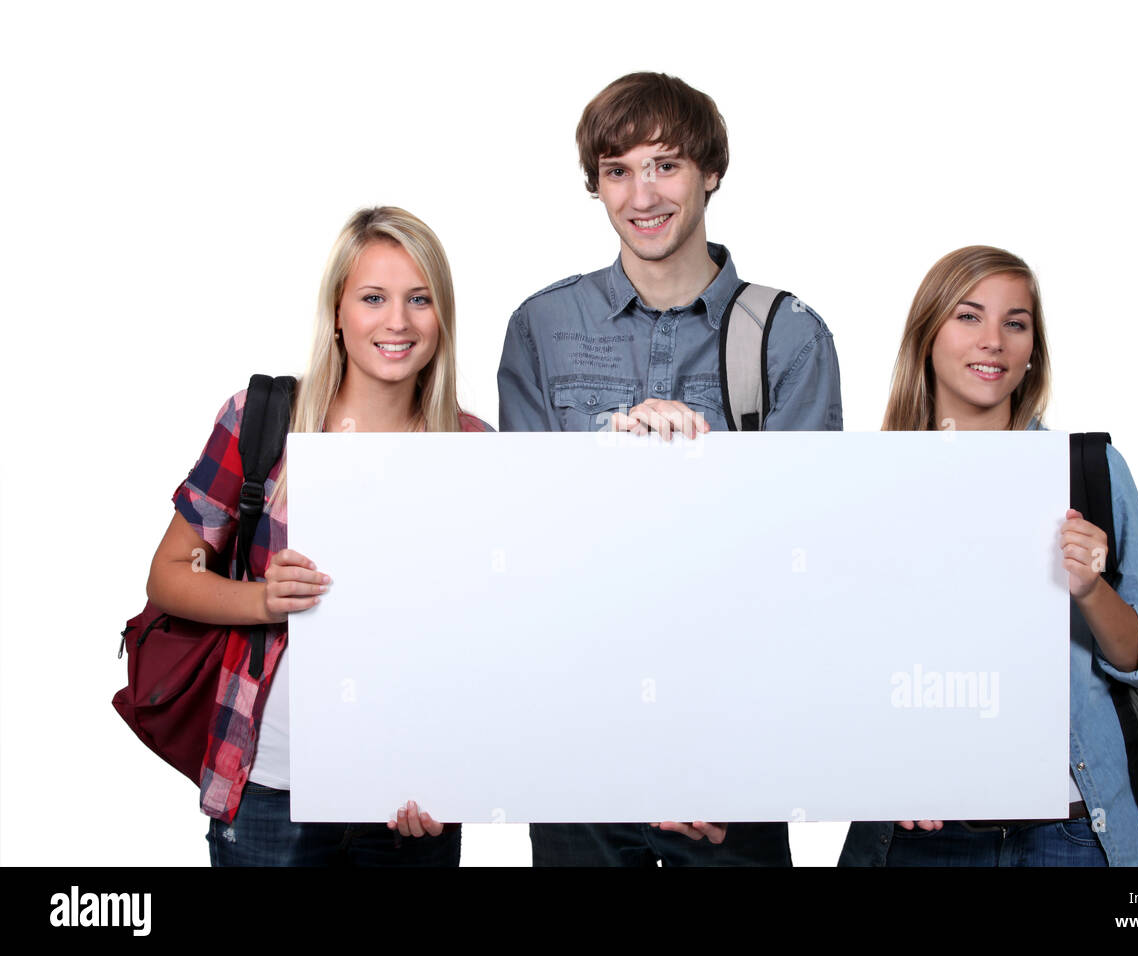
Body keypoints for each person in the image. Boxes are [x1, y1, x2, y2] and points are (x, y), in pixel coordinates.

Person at [497, 72, 843, 867]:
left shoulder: (789, 334)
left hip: (733, 752)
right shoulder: (541, 325)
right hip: (577, 745)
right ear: (596, 185)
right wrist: (605, 455)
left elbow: (803, 563)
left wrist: (723, 761)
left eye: (665, 165)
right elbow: (524, 540)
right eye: (617, 170)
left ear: (711, 172)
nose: (641, 194)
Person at [147, 206, 490, 866]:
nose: (398, 321)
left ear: (441, 315)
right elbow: (172, 571)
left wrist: (454, 777)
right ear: (337, 313)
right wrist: (261, 601)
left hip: (410, 798)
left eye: (420, 299)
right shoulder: (264, 420)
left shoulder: (474, 448)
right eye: (373, 298)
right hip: (273, 792)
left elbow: (490, 641)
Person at [838, 245, 1138, 867]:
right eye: (969, 317)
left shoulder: (1087, 470)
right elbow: (826, 666)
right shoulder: (864, 481)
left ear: (1032, 354)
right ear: (927, 335)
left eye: (1015, 324)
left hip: (1070, 834)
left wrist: (1090, 588)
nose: (993, 340)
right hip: (914, 834)